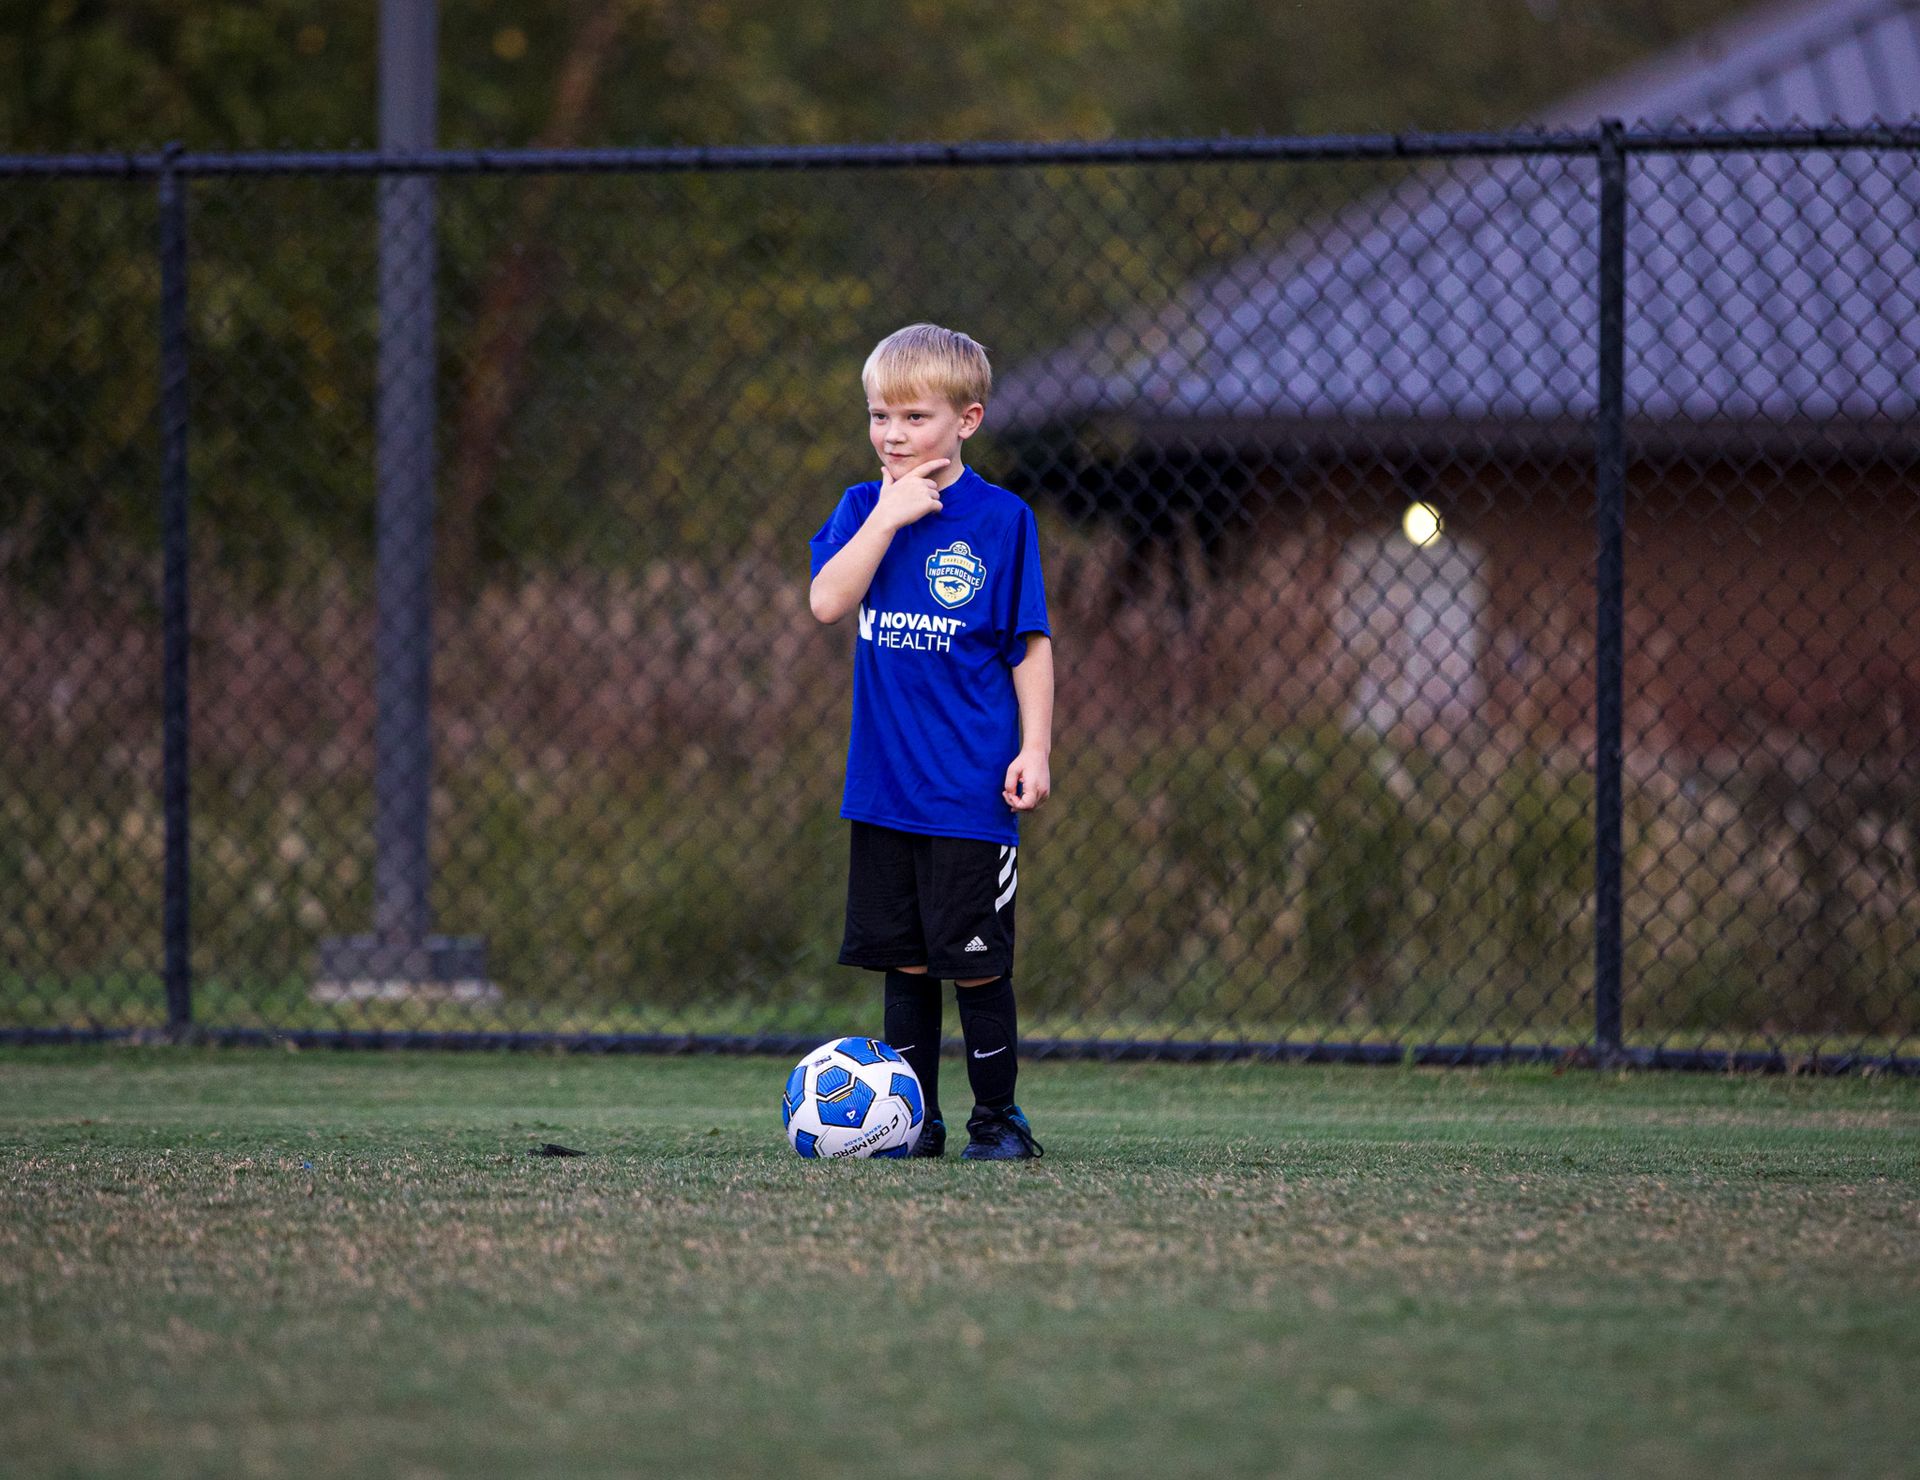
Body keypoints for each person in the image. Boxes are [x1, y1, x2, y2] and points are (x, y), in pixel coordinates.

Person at [808, 323, 1054, 1161]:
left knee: (976, 964)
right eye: (880, 417)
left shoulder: (1003, 520)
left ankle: (999, 1120)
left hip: (968, 794)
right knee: (903, 964)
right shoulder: (859, 509)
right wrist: (886, 518)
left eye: (914, 417)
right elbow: (826, 602)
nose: (893, 435)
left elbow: (1029, 645)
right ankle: (915, 1124)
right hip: (884, 790)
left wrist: (1037, 748)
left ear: (967, 420)